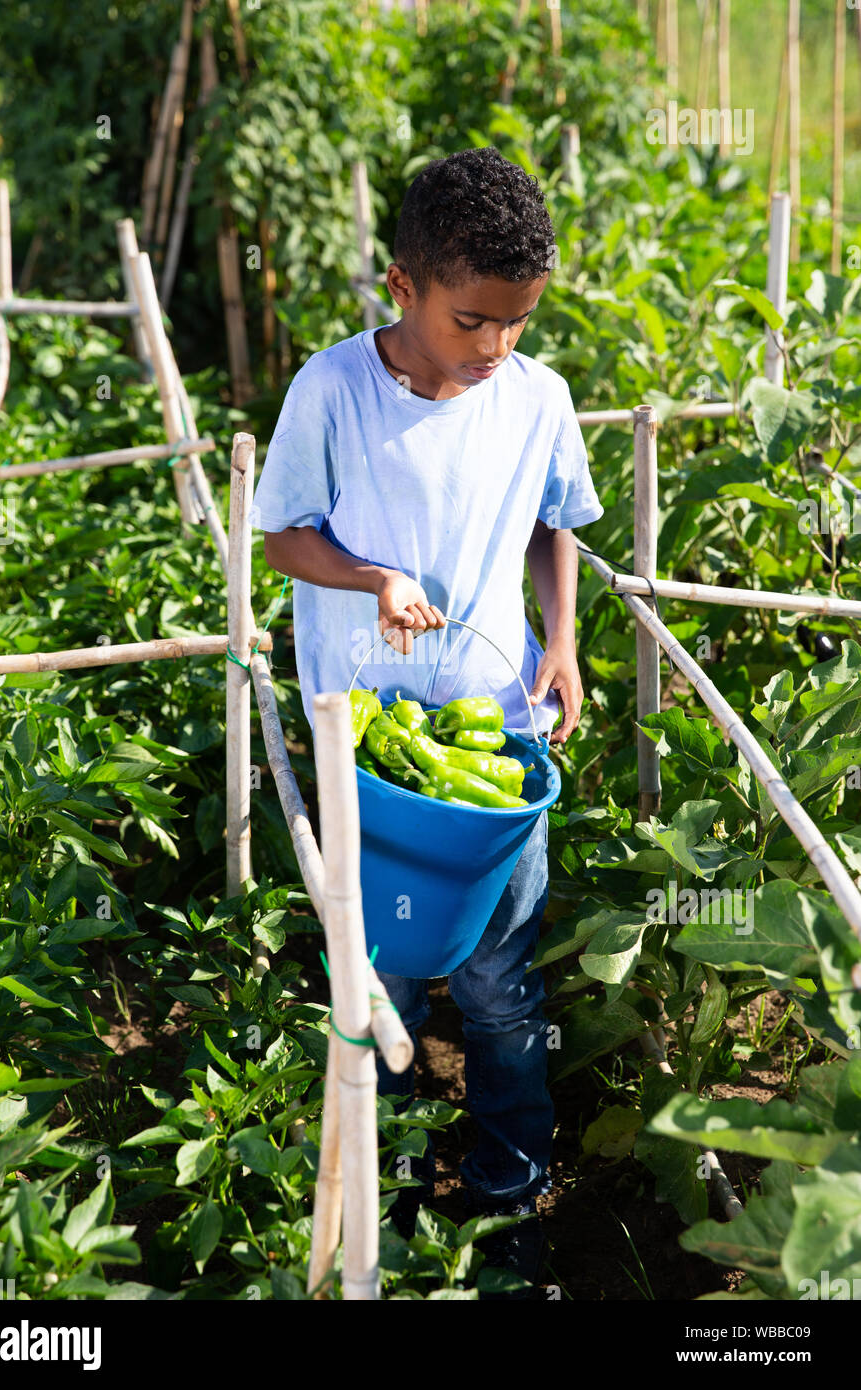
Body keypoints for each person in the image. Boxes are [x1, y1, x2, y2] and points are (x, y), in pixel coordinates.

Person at [250, 146, 603, 1295]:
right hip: (369, 744)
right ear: (400, 288)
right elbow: (286, 534)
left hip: (487, 727)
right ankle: (389, 1191)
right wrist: (372, 579)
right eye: (470, 321)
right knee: (384, 977)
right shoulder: (332, 390)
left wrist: (560, 638)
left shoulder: (534, 397)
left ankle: (509, 1197)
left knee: (503, 983)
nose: (493, 347)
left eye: (513, 323)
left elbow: (557, 519)